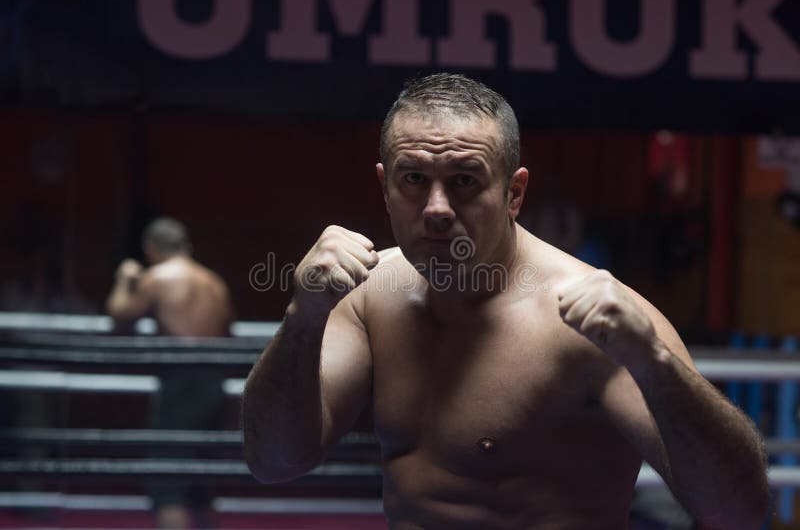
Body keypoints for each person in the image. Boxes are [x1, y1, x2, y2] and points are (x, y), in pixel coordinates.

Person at [242, 74, 769, 528]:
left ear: (514, 193)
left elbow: (736, 512)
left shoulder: (583, 321)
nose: (437, 209)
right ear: (385, 186)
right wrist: (302, 316)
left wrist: (653, 361)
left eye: (465, 181)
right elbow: (274, 461)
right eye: (414, 180)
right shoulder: (365, 297)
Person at [107, 217, 233, 529]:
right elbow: (227, 328)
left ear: (151, 249)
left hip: (183, 382)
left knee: (167, 484)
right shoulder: (215, 283)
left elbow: (120, 316)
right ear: (186, 247)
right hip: (216, 382)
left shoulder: (158, 277)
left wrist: (125, 278)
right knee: (200, 485)